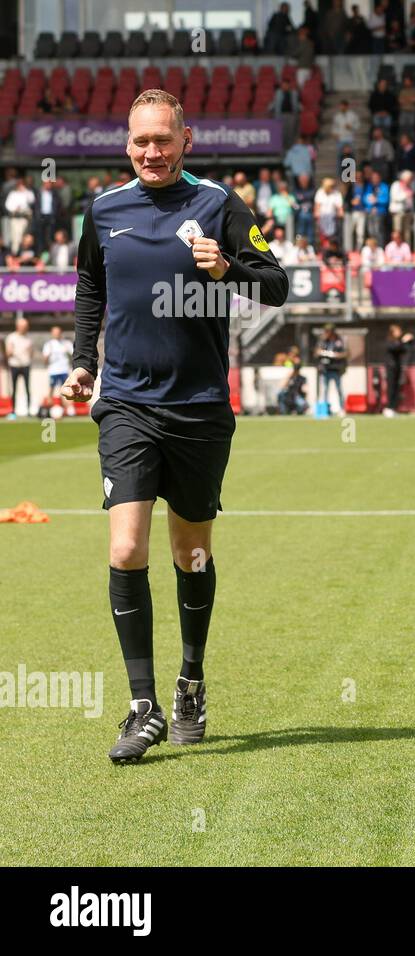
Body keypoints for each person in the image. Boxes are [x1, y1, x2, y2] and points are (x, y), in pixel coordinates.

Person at [64, 89, 287, 762]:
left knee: (191, 553)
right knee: (126, 547)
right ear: (125, 145)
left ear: (186, 140)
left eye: (163, 140)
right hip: (127, 404)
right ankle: (143, 705)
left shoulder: (218, 203)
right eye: (140, 142)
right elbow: (90, 288)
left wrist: (229, 268)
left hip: (197, 408)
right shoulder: (103, 209)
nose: (152, 152)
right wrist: (81, 362)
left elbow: (275, 284)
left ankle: (191, 678)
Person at [382, 323, 414, 417]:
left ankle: (393, 407)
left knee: (397, 387)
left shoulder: (398, 341)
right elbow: (394, 348)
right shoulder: (389, 341)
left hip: (397, 367)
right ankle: (388, 408)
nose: (400, 332)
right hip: (390, 367)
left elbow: (405, 349)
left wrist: (409, 340)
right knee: (391, 387)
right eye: (398, 331)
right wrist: (403, 341)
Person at [315, 322, 347, 413]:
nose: (327, 333)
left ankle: (342, 409)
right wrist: (323, 352)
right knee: (324, 390)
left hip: (336, 368)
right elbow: (316, 352)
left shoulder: (340, 340)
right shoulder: (323, 340)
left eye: (329, 331)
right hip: (325, 369)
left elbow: (346, 353)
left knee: (339, 389)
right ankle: (325, 410)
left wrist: (336, 355)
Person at [5, 317, 33, 416]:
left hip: (25, 365)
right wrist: (10, 352)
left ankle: (29, 410)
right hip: (15, 365)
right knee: (14, 389)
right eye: (23, 326)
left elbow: (31, 353)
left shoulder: (28, 338)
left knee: (27, 388)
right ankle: (13, 411)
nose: (25, 328)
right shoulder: (11, 337)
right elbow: (8, 353)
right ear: (18, 326)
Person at [42, 324, 74, 403]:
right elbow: (45, 360)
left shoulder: (66, 343)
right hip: (53, 370)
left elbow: (74, 355)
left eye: (58, 332)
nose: (57, 334)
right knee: (51, 389)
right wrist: (47, 358)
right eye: (55, 332)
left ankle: (68, 409)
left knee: (66, 390)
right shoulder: (48, 344)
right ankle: (49, 407)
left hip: (64, 370)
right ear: (52, 333)